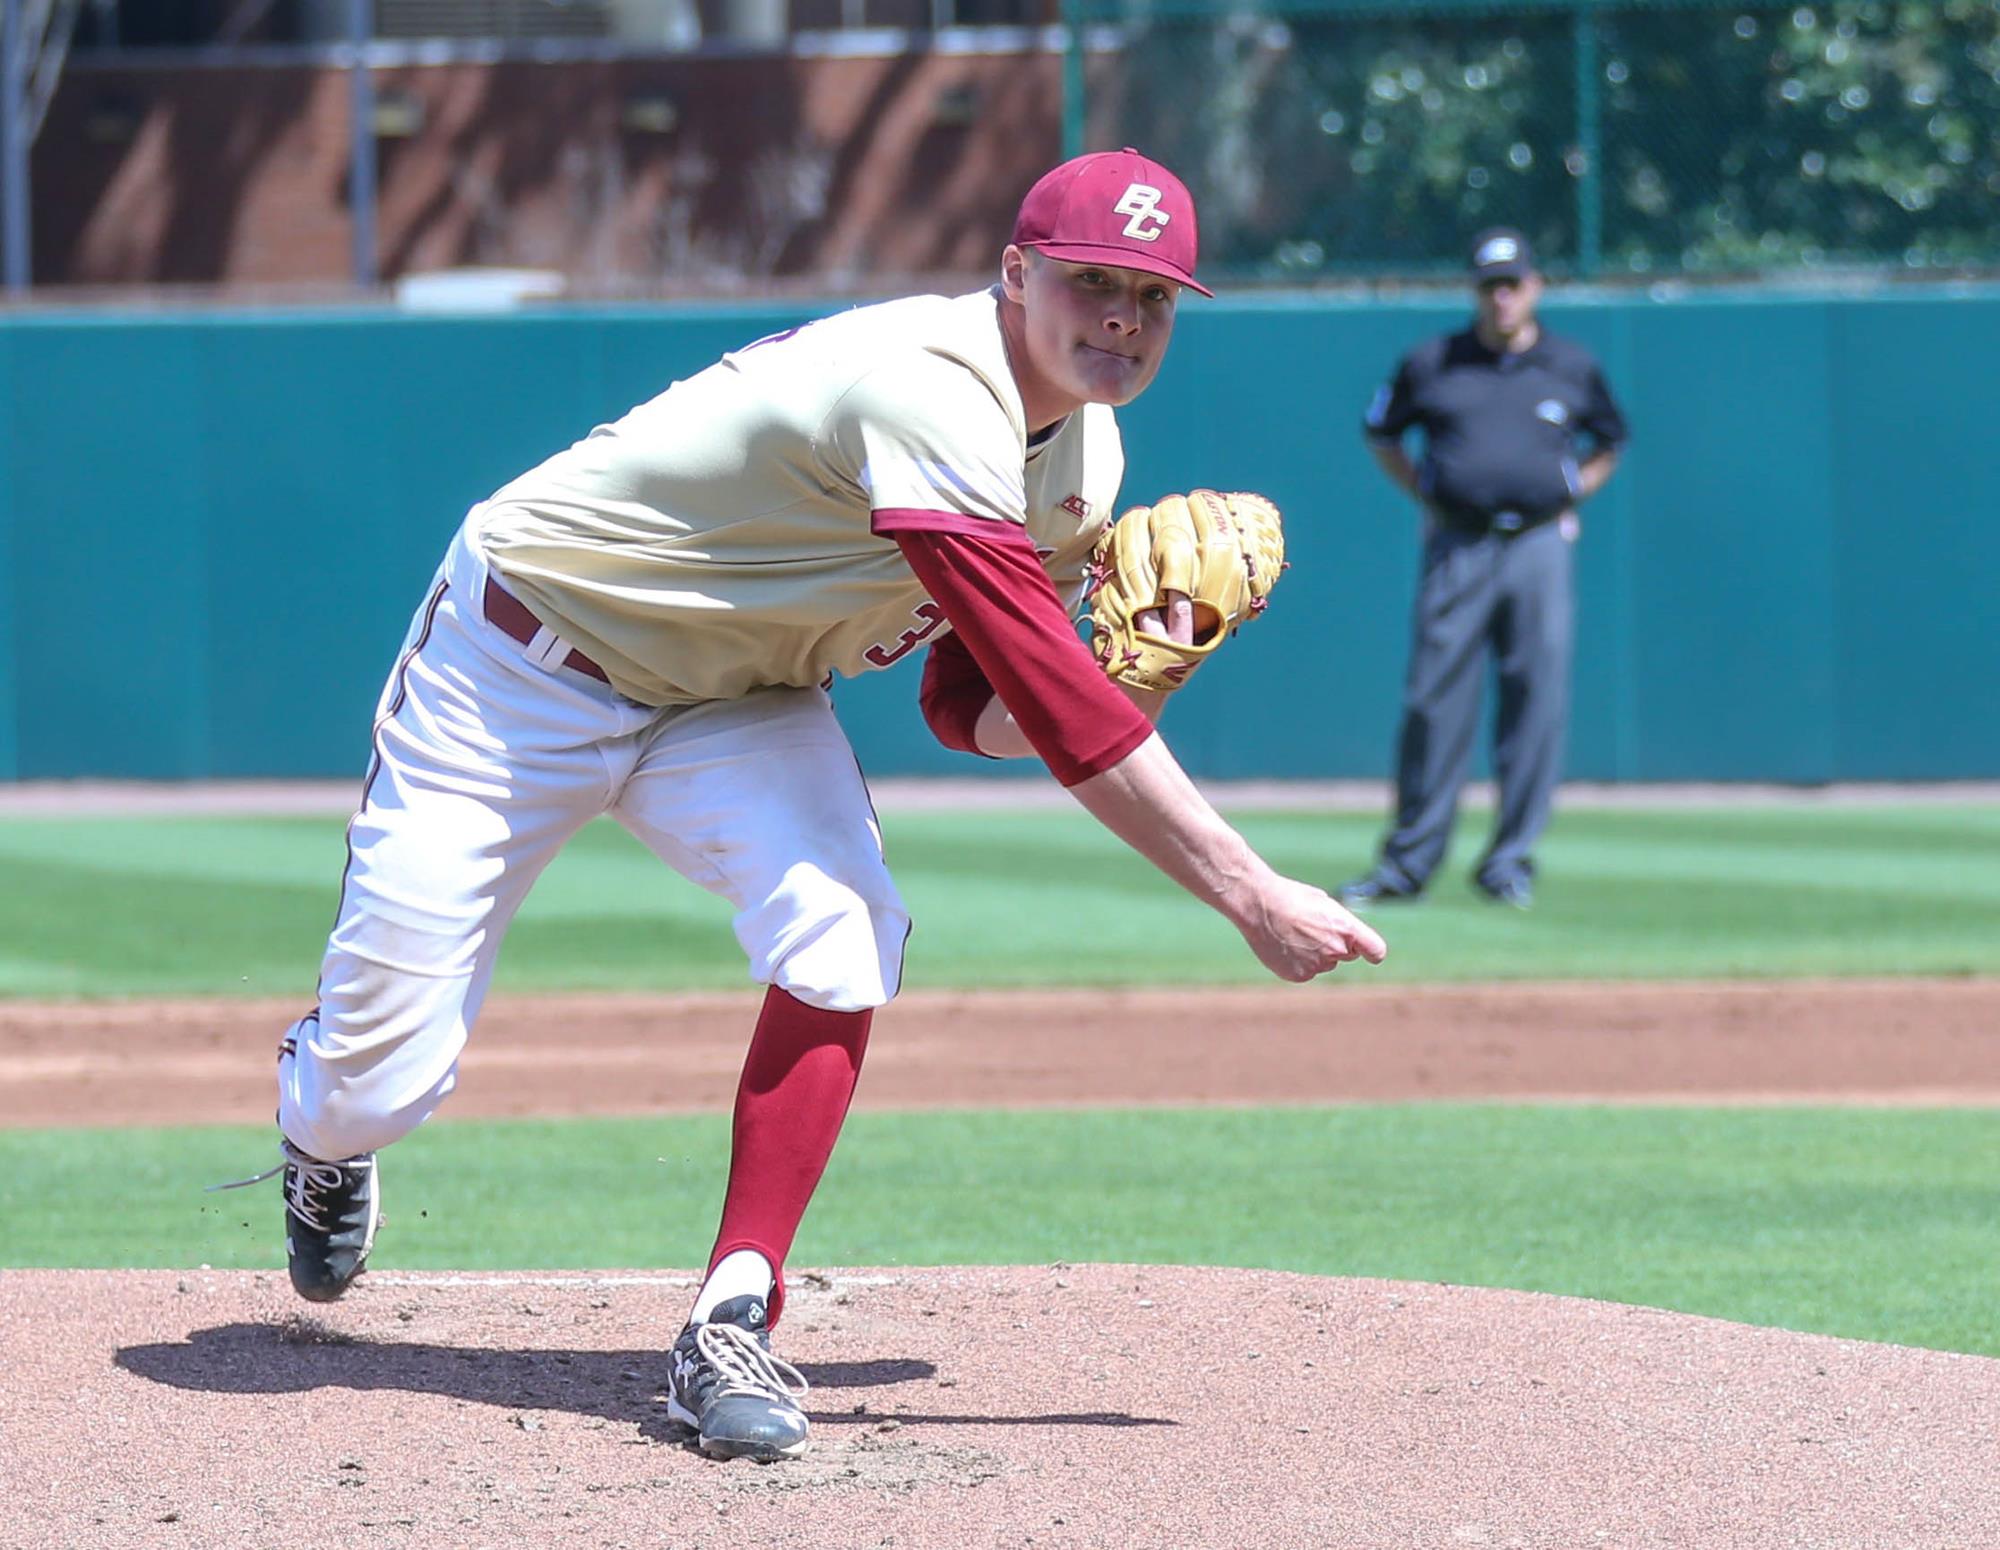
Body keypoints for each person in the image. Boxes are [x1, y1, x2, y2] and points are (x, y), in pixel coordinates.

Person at [222, 147, 1388, 1464]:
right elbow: (1058, 719)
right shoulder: (931, 384)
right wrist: (1249, 890)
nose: (1123, 317)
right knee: (381, 1078)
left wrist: (1140, 668)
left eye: (1155, 296)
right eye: (1094, 282)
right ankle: (325, 1136)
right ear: (1016, 273)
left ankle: (733, 1314)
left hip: (738, 698)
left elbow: (970, 709)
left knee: (842, 926)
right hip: (523, 665)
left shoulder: (1084, 461)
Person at [1338, 227, 1628, 912]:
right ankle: (1408, 864)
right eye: (1489, 285)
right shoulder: (1434, 362)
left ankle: (1509, 862)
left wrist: (1571, 492)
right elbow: (1382, 433)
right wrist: (1426, 493)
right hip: (1459, 544)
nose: (1501, 297)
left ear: (1535, 287)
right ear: (1475, 291)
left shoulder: (1571, 366)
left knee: (1536, 703)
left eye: (1512, 283)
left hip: (1536, 544)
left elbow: (1611, 439)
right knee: (1433, 704)